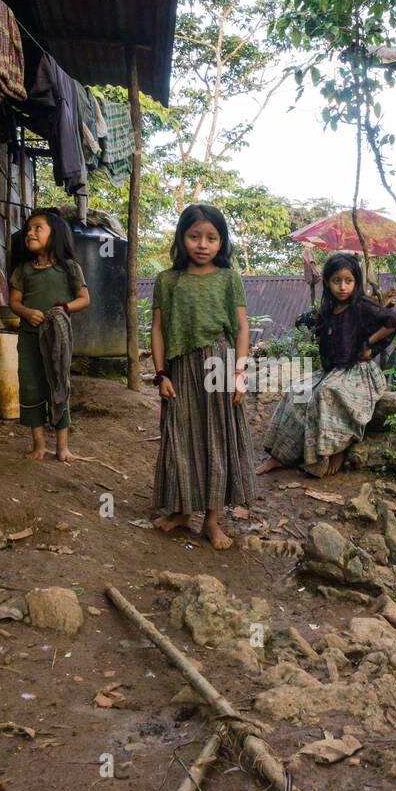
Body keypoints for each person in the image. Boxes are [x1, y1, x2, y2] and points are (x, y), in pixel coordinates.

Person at [150, 204, 255, 550]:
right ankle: (181, 510)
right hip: (179, 369)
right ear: (181, 238)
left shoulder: (229, 278)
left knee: (216, 440)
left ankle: (211, 520)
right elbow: (159, 329)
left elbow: (241, 328)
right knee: (179, 437)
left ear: (222, 242)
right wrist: (160, 372)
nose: (202, 244)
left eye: (212, 237)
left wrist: (239, 374)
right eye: (194, 236)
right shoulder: (167, 280)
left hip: (218, 365)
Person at [257, 253, 396, 478]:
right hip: (332, 371)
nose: (343, 287)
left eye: (348, 281)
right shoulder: (328, 309)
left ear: (355, 282)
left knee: (326, 393)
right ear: (327, 282)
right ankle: (279, 456)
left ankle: (337, 449)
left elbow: (393, 322)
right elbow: (311, 325)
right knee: (296, 392)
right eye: (336, 281)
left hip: (358, 372)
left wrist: (368, 345)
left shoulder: (361, 306)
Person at [8, 209, 90, 462]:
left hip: (58, 338)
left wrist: (63, 308)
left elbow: (84, 299)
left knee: (58, 385)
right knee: (31, 385)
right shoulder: (23, 270)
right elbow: (14, 302)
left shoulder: (69, 268)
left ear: (55, 234)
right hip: (30, 337)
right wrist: (27, 312)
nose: (30, 233)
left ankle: (62, 447)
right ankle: (38, 445)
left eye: (37, 228)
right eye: (28, 229)